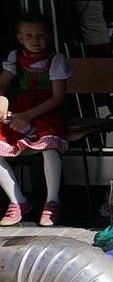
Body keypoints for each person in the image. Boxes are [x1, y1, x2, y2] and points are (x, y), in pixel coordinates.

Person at [0, 13, 71, 227]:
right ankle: (18, 201)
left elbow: (57, 98)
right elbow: (1, 84)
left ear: (49, 37)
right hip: (21, 110)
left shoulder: (55, 60)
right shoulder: (15, 58)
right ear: (20, 38)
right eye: (29, 35)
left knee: (48, 145)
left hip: (46, 111)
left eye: (40, 35)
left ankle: (52, 201)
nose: (35, 40)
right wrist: (2, 100)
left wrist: (27, 116)